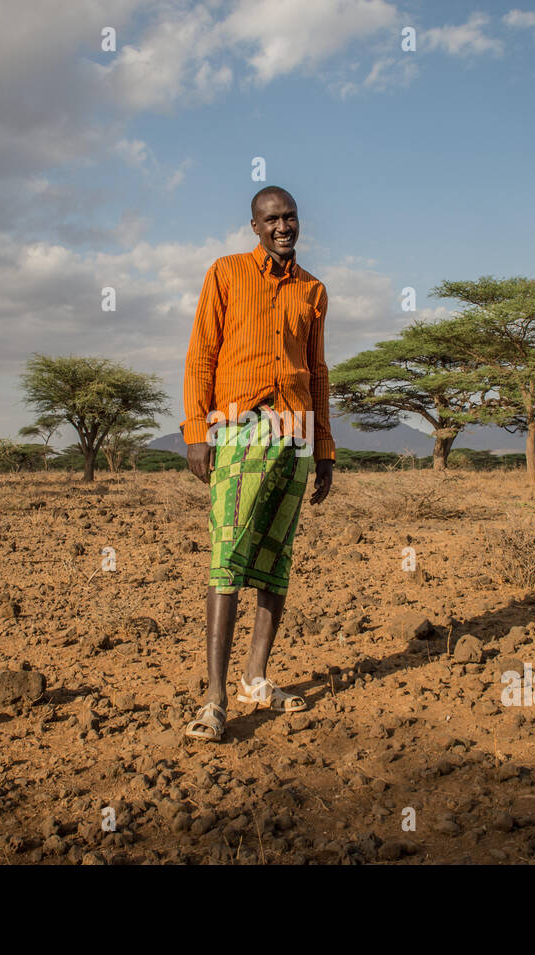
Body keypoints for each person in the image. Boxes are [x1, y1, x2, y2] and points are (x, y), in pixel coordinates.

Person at [178, 185, 335, 742]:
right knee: (228, 555)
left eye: (290, 216)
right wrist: (197, 431)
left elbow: (316, 371)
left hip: (294, 432)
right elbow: (202, 353)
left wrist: (324, 448)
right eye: (272, 219)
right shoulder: (224, 273)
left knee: (274, 558)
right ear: (254, 226)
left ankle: (255, 679)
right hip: (237, 428)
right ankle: (215, 698)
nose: (283, 226)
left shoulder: (313, 290)